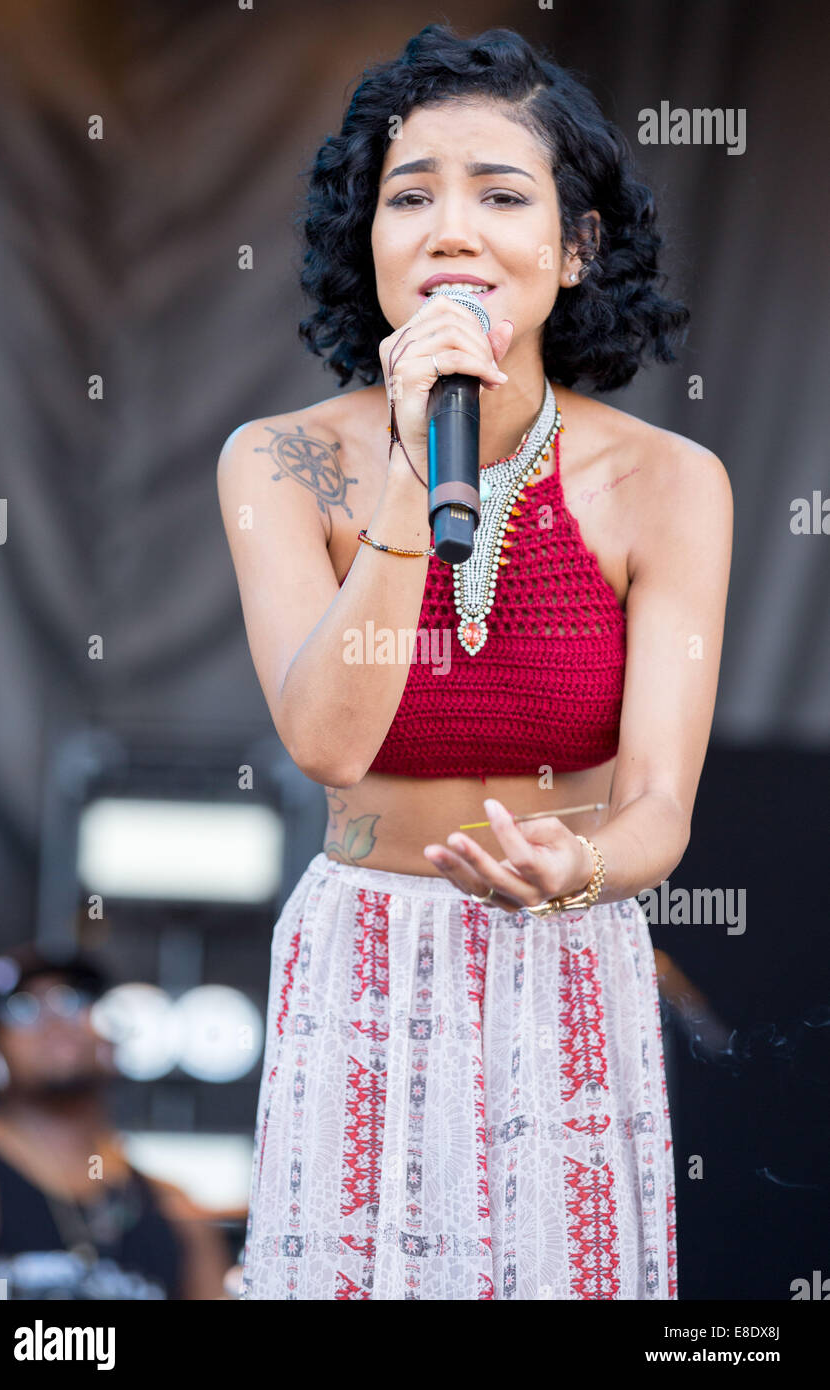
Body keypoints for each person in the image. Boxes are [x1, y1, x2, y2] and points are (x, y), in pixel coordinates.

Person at [217, 23, 732, 1300]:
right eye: (409, 196)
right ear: (370, 243)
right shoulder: (278, 462)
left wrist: (582, 867)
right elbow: (328, 741)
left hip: (568, 960)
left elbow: (659, 803)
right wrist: (406, 460)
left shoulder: (671, 484)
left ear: (575, 247)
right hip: (364, 963)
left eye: (501, 195)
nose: (450, 229)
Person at [0, 945, 231, 1299]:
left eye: (73, 1000)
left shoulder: (172, 1207)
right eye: (23, 1008)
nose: (54, 1019)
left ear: (110, 1043)